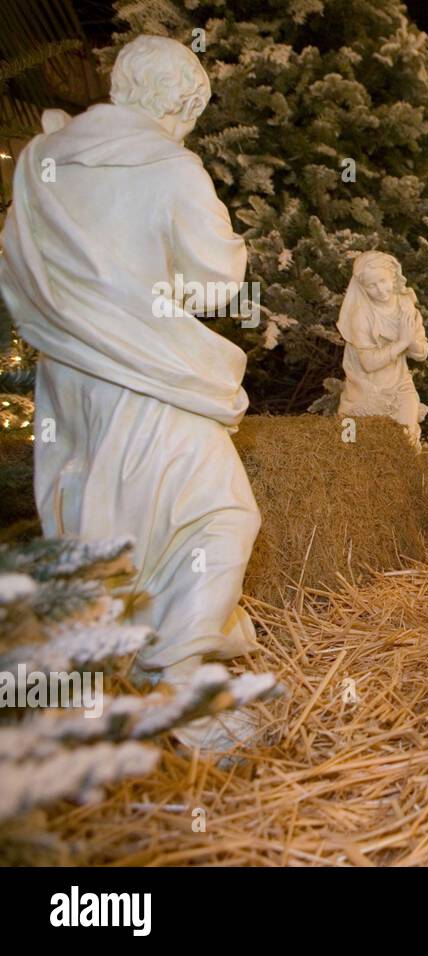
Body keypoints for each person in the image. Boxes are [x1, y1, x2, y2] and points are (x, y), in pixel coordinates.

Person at [0, 36, 260, 695]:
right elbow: (215, 283)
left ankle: (118, 659)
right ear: (181, 103)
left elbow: (15, 269)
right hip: (148, 373)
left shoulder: (40, 160)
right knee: (221, 514)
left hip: (69, 374)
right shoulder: (171, 167)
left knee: (101, 513)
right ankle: (175, 677)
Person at [337, 251, 428, 446]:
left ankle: (407, 464)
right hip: (367, 388)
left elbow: (422, 352)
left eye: (383, 281)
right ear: (363, 287)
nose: (380, 289)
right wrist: (401, 343)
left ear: (393, 276)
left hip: (400, 385)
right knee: (362, 445)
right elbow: (368, 364)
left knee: (407, 438)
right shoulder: (361, 315)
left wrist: (410, 341)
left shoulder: (406, 307)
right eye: (372, 285)